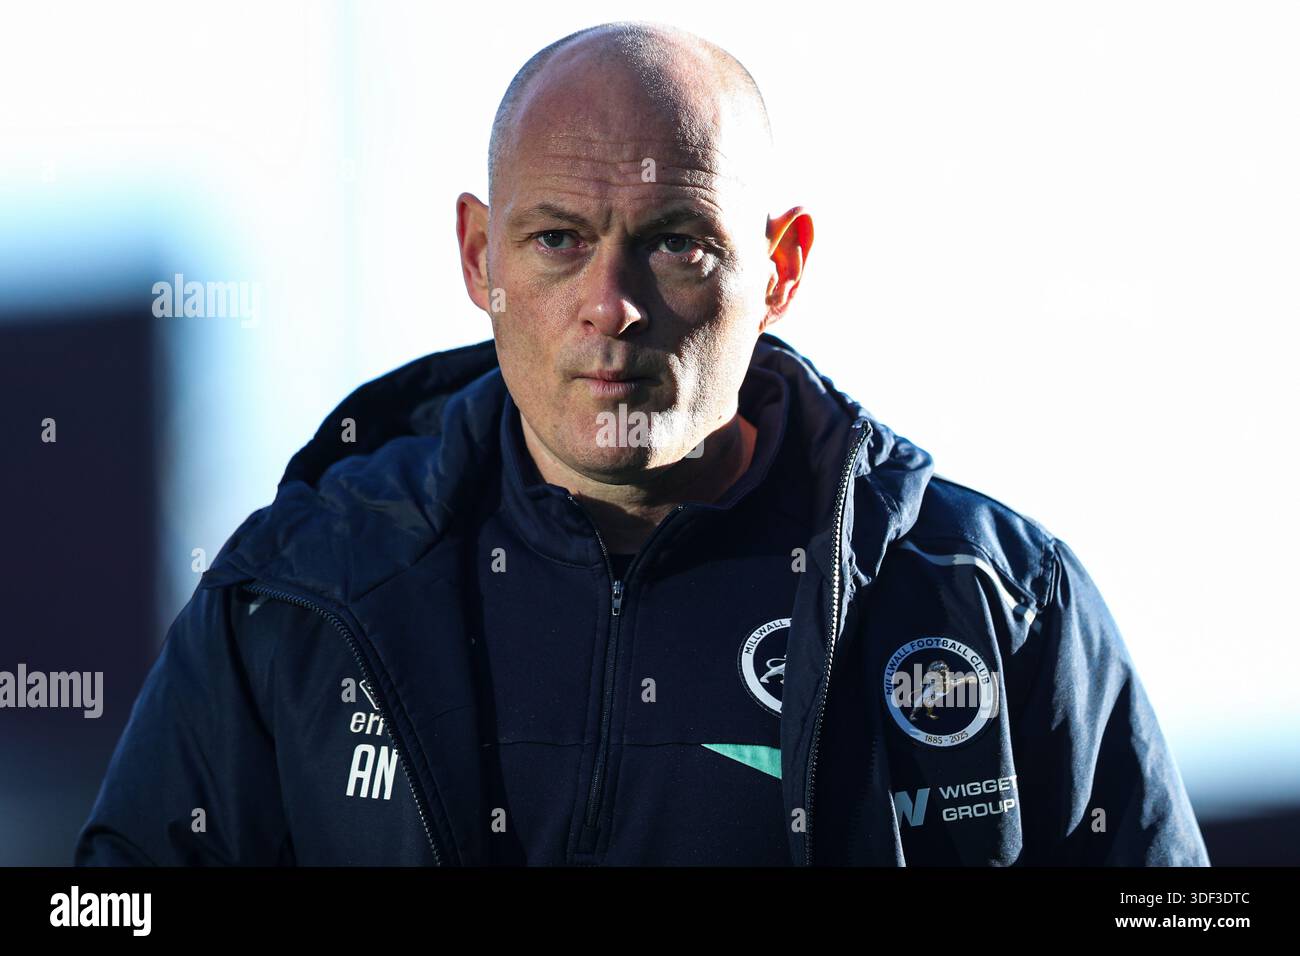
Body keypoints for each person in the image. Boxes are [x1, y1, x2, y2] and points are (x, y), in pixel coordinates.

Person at [75, 20, 1209, 866]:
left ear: (782, 264)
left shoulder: (992, 603)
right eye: (559, 239)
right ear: (480, 258)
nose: (610, 302)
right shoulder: (297, 597)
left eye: (675, 243)